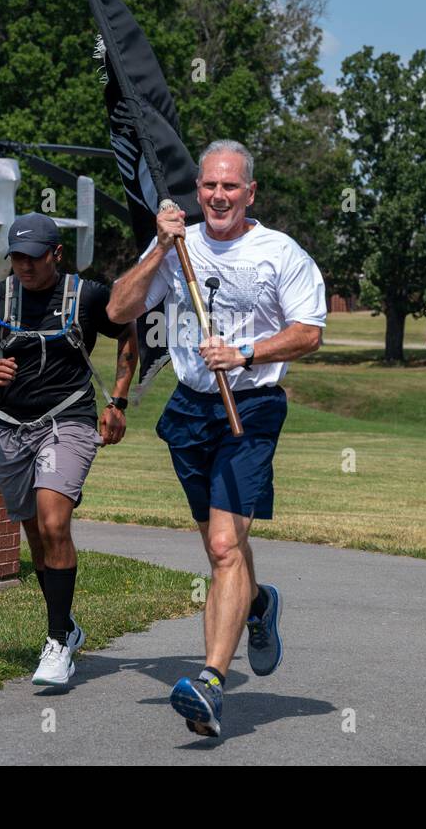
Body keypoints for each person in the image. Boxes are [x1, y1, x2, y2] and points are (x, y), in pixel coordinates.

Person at [106, 139, 326, 738]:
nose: (219, 196)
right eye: (209, 186)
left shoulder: (279, 253)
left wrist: (246, 351)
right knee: (219, 549)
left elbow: (309, 333)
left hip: (250, 407)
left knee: (226, 546)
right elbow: (118, 308)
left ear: (250, 192)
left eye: (230, 186)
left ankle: (208, 683)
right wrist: (159, 247)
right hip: (190, 408)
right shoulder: (177, 245)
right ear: (195, 191)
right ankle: (257, 604)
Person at [0, 214, 139, 686]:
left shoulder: (88, 295)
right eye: (16, 257)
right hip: (11, 427)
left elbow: (128, 331)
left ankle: (57, 641)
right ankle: (67, 626)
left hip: (68, 419)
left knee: (55, 520)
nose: (24, 266)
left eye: (33, 257)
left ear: (55, 254)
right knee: (36, 535)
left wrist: (117, 400)